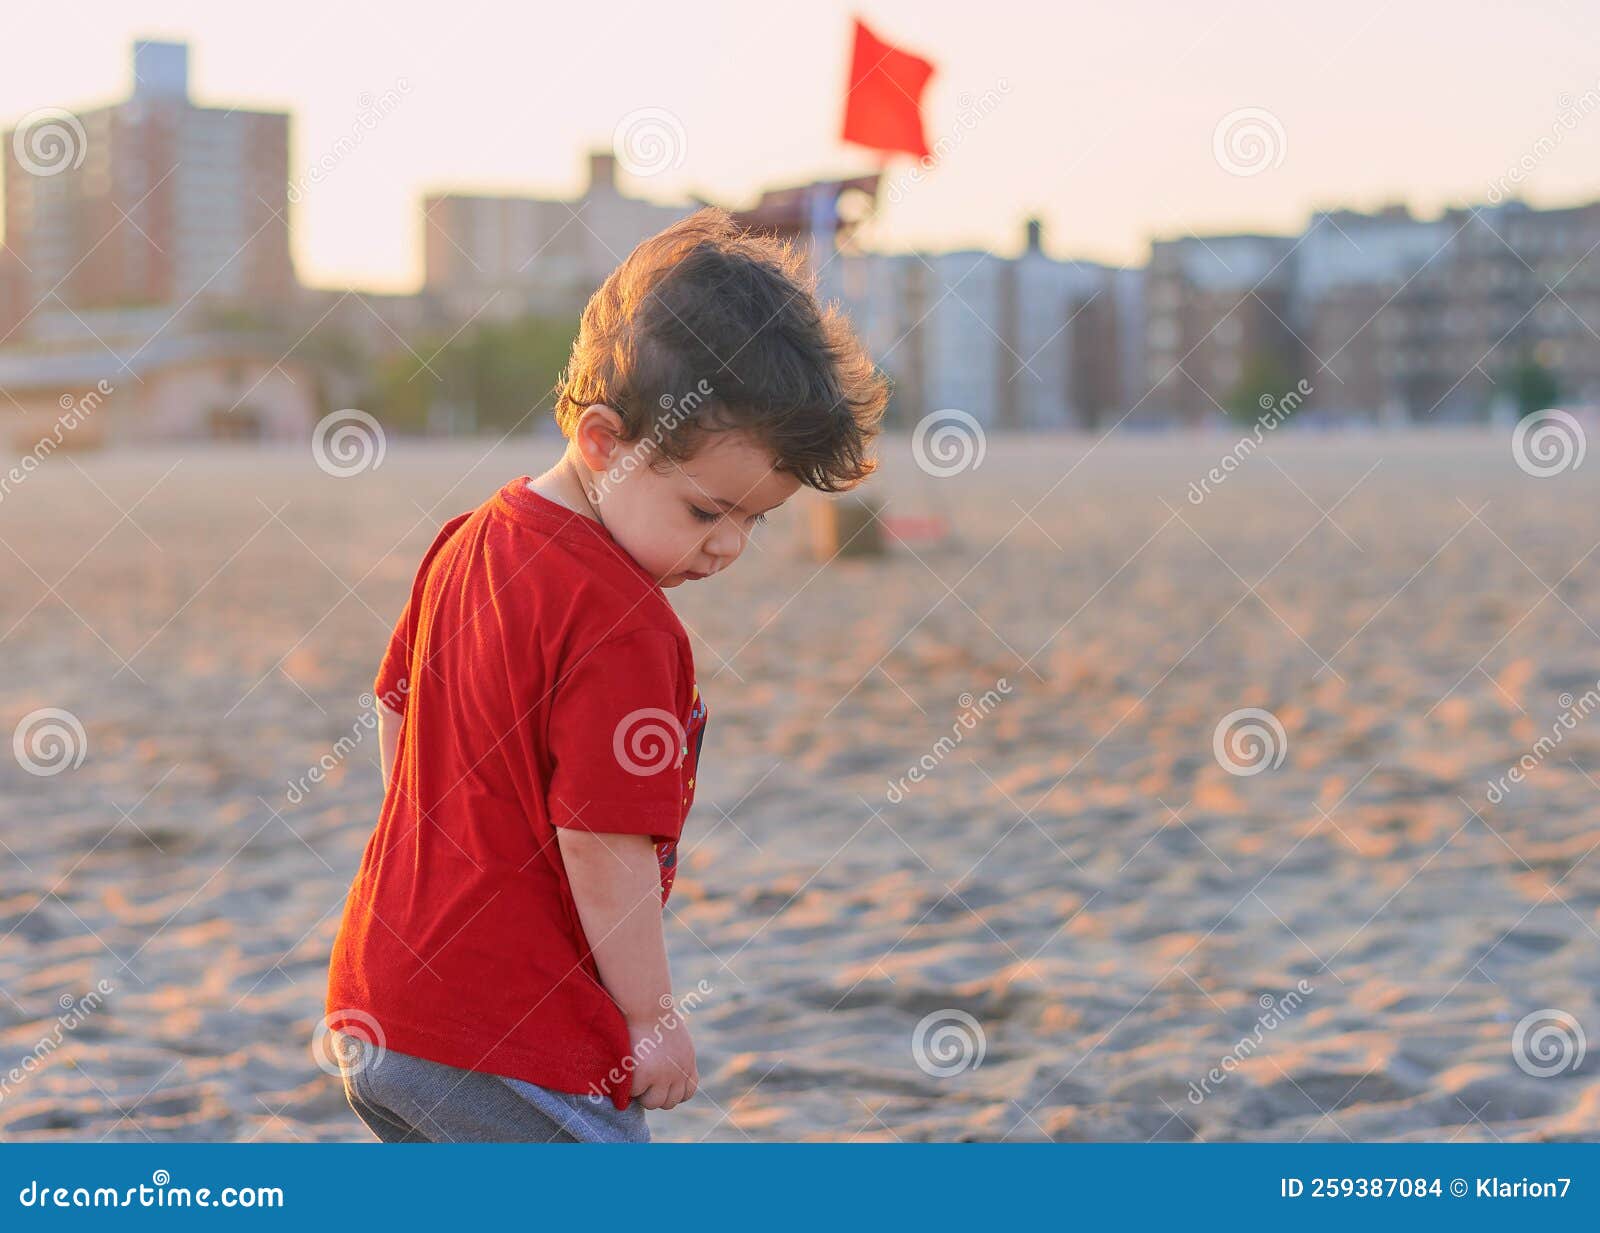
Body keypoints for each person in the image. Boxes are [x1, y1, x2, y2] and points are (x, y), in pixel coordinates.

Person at [324, 207, 888, 1141]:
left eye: (759, 519)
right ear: (600, 441)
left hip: (384, 997)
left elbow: (399, 719)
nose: (730, 545)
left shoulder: (466, 541)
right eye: (707, 509)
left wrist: (453, 852)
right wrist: (653, 1018)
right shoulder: (625, 623)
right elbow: (600, 841)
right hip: (511, 1033)